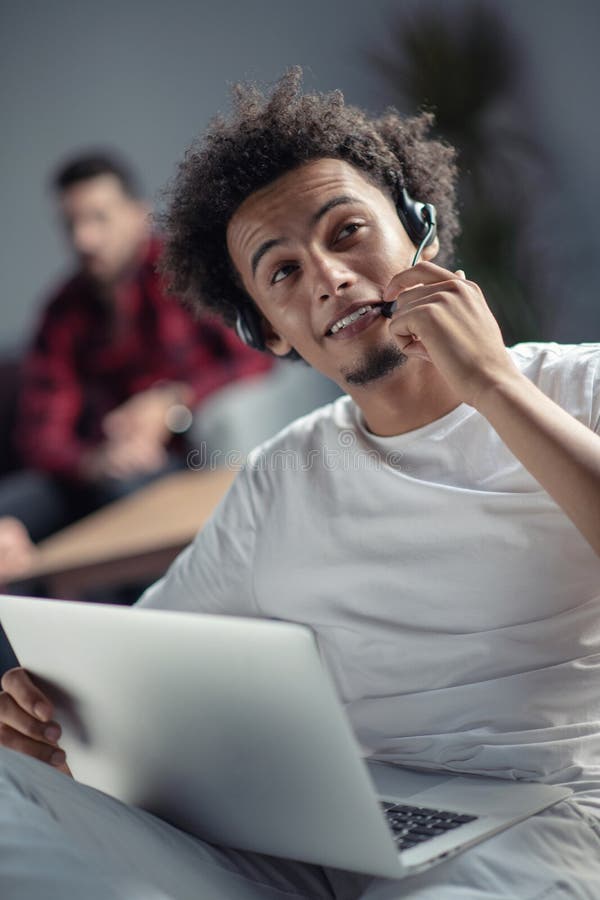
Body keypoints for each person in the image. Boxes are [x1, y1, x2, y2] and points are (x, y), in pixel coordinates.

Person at [1, 69, 599, 899]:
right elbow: (135, 668)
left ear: (420, 229)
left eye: (348, 231)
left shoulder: (580, 388)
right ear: (268, 332)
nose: (326, 276)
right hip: (337, 828)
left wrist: (495, 384)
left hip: (543, 818)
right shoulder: (282, 477)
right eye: (281, 272)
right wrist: (46, 716)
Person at [0, 151, 273, 581]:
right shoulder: (62, 311)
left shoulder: (187, 275)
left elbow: (254, 358)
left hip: (180, 462)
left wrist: (173, 403)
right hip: (89, 469)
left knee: (128, 495)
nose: (84, 239)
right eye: (71, 224)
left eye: (98, 218)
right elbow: (39, 433)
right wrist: (94, 460)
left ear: (138, 214)